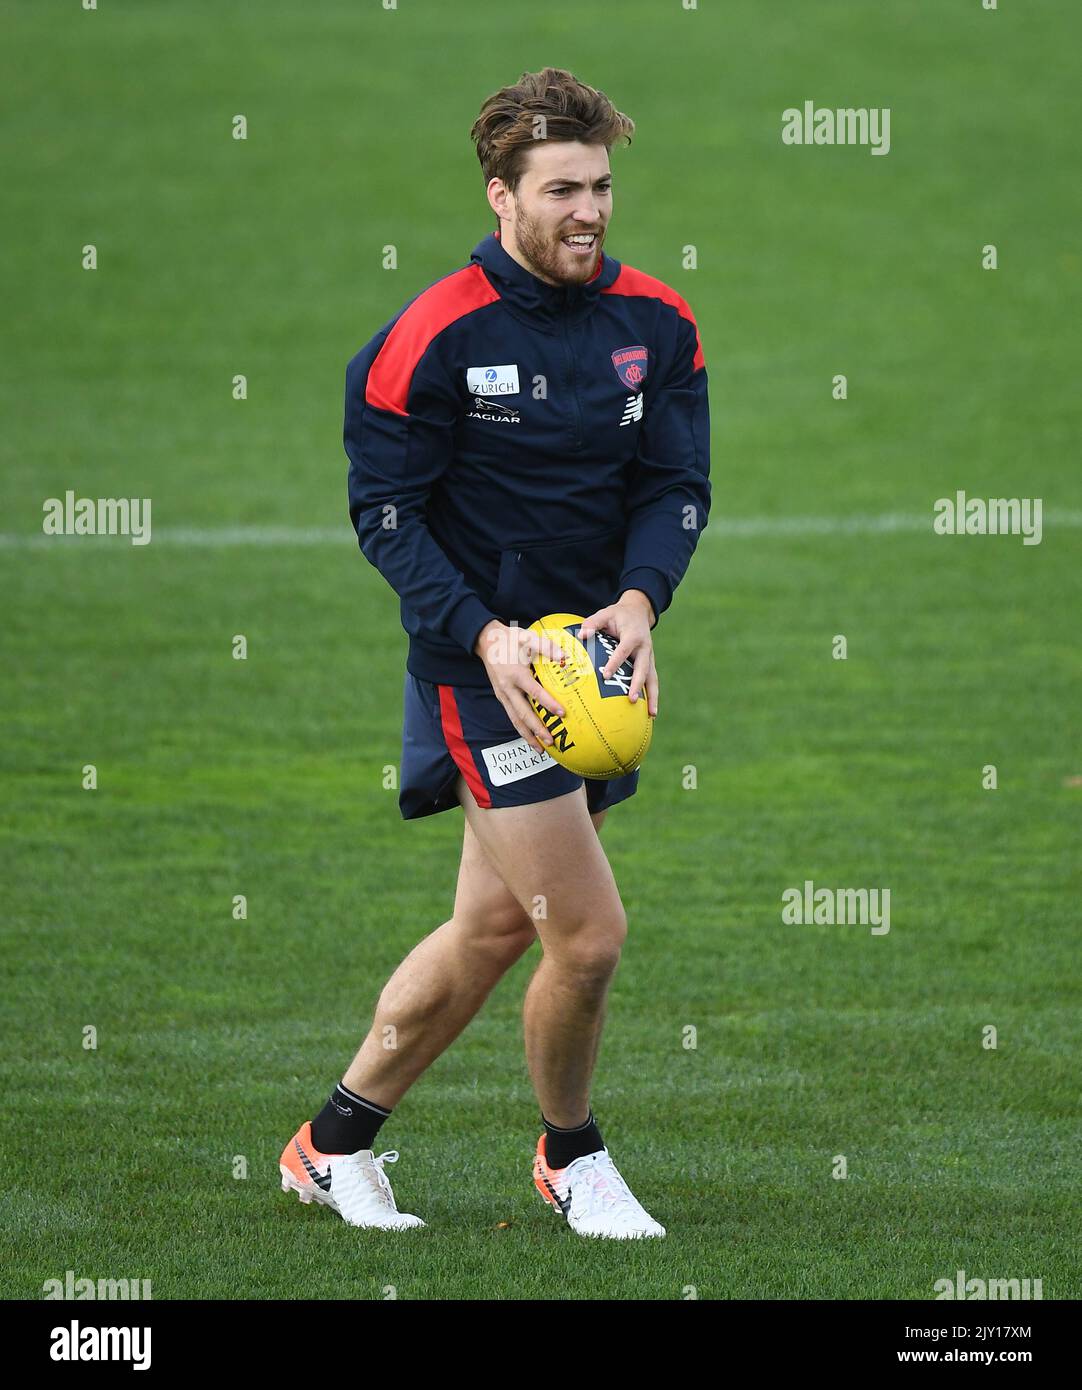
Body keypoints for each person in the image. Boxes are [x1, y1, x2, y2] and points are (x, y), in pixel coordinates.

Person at [279, 66, 710, 1239]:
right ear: (501, 196)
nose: (588, 211)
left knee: (494, 925)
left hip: (589, 668)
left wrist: (638, 601)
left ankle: (333, 1143)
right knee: (587, 932)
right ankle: (571, 1157)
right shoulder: (426, 336)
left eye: (602, 187)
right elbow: (385, 517)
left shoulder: (657, 324)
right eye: (561, 188)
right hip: (480, 673)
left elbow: (674, 481)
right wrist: (487, 635)